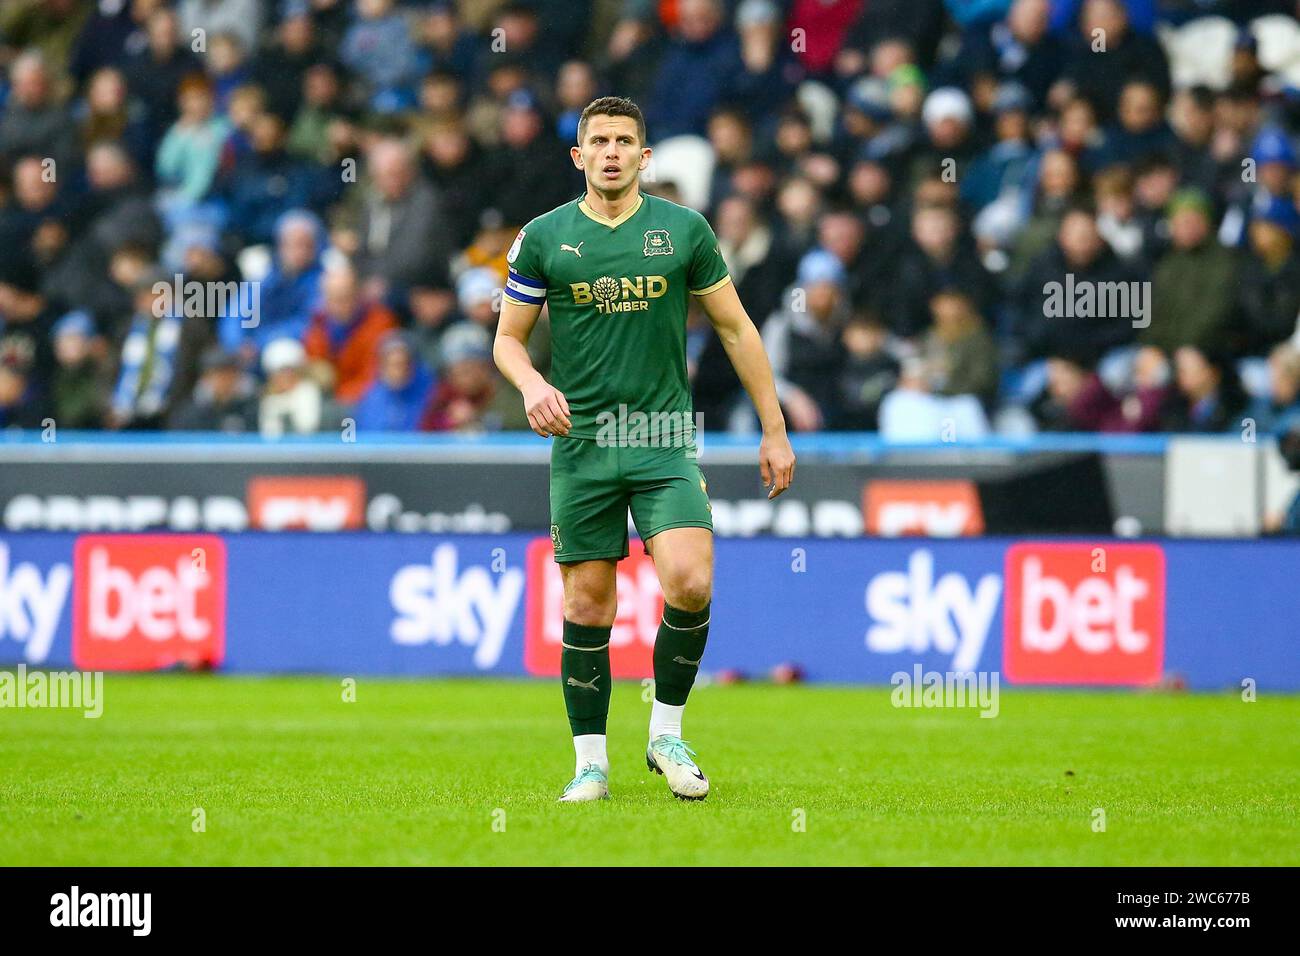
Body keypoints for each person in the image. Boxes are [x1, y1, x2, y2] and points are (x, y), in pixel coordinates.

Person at [492, 96, 794, 802]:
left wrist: (773, 426)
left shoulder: (683, 231)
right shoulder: (543, 238)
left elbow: (737, 329)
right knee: (589, 606)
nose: (612, 152)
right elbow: (507, 339)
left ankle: (666, 732)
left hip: (661, 439)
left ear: (644, 155)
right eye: (598, 140)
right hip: (583, 444)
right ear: (578, 155)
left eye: (625, 140)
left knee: (690, 580)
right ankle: (590, 763)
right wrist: (533, 383)